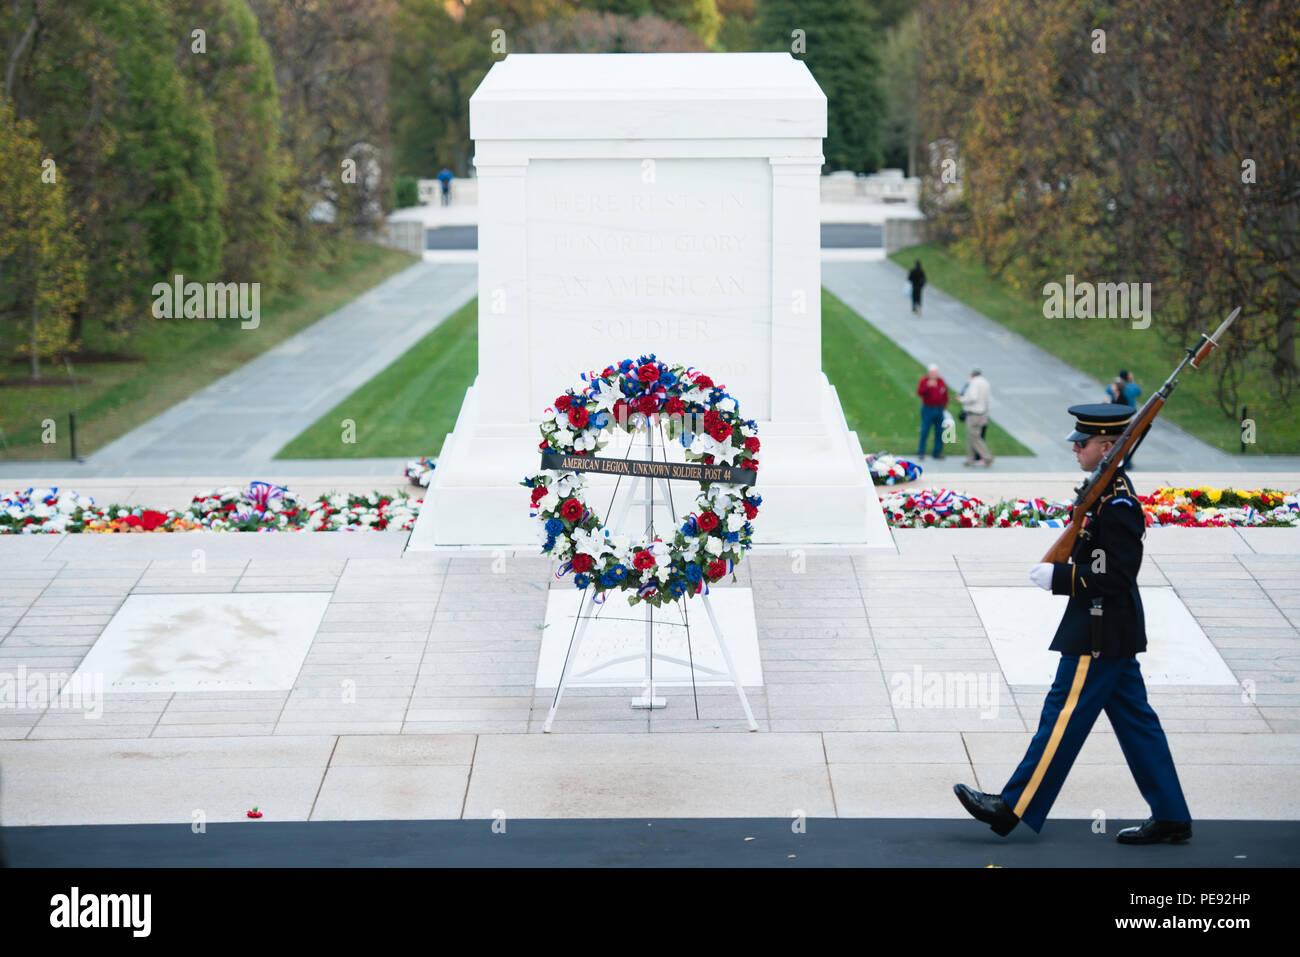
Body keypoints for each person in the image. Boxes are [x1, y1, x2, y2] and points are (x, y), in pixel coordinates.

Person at [953, 403, 1192, 844]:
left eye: (1081, 443)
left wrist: (1062, 577)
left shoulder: (1118, 503)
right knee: (1137, 723)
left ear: (1106, 447)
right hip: (1109, 629)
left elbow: (1119, 576)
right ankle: (1172, 815)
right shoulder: (1105, 492)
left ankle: (1012, 806)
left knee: (1060, 718)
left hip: (1099, 631)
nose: (1074, 449)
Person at [959, 368, 994, 468]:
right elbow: (988, 400)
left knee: (975, 438)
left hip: (973, 413)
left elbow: (973, 397)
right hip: (982, 413)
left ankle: (987, 457)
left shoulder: (974, 383)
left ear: (972, 374)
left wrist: (962, 399)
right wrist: (986, 415)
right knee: (972, 437)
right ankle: (970, 460)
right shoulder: (986, 383)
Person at [915, 364, 948, 459]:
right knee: (925, 430)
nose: (935, 374)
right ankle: (921, 451)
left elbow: (945, 395)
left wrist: (944, 406)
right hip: (928, 409)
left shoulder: (941, 381)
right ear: (929, 373)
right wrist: (927, 386)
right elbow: (920, 392)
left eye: (936, 372)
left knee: (939, 431)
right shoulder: (924, 381)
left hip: (939, 409)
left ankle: (937, 452)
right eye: (933, 373)